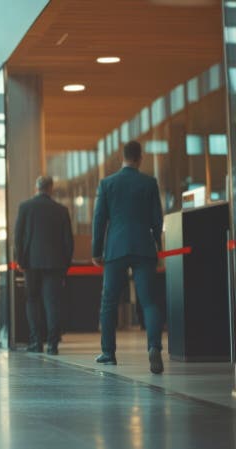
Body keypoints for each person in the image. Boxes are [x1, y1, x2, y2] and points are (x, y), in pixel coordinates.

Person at [92, 140, 164, 374]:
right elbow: (157, 219)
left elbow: (99, 220)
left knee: (109, 301)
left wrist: (96, 251)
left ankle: (108, 353)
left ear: (121, 157)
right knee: (150, 301)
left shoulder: (107, 183)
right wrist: (157, 246)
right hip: (143, 247)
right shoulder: (149, 183)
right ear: (140, 158)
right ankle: (154, 347)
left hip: (116, 248)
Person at [13, 176, 74, 356]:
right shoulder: (61, 210)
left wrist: (21, 261)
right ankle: (52, 345)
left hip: (31, 263)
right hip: (55, 264)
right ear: (51, 188)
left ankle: (36, 342)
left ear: (36, 187)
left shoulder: (25, 207)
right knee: (51, 303)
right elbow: (68, 241)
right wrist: (65, 266)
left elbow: (18, 238)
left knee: (32, 301)